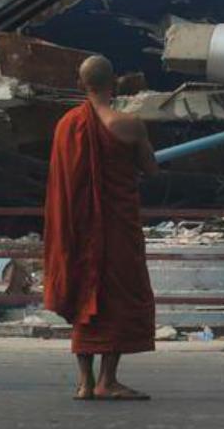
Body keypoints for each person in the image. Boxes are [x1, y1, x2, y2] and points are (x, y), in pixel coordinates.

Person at [43, 55, 157, 401]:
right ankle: (108, 379)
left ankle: (84, 382)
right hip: (118, 229)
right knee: (116, 298)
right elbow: (150, 169)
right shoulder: (130, 125)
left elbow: (59, 185)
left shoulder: (66, 125)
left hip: (78, 231)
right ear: (116, 82)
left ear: (81, 85)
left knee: (84, 296)